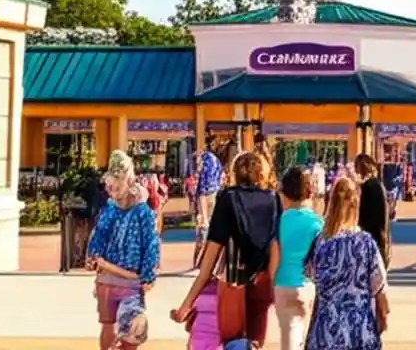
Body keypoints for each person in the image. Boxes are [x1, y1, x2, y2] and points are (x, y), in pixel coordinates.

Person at [173, 151, 281, 349]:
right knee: (255, 344)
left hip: (233, 280)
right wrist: (275, 289)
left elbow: (209, 260)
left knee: (233, 343)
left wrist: (186, 304)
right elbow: (275, 246)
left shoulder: (228, 199)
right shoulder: (274, 200)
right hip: (262, 282)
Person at [304, 176, 390, 350]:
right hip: (359, 330)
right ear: (356, 206)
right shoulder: (366, 243)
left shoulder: (320, 242)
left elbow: (312, 277)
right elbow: (380, 289)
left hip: (326, 330)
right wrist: (382, 319)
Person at [86, 150, 160, 350]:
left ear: (129, 179)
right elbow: (99, 234)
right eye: (112, 180)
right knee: (108, 326)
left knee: (132, 332)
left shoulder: (143, 212)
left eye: (118, 180)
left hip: (131, 281)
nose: (113, 186)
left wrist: (148, 275)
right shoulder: (110, 208)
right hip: (106, 279)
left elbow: (151, 244)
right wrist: (92, 256)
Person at [269, 166, 323, 350]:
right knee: (304, 336)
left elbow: (275, 254)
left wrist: (270, 280)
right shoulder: (317, 222)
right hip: (308, 284)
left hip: (283, 283)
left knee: (289, 335)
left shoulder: (279, 221)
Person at [353, 154, 391, 266]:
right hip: (380, 235)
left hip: (369, 237)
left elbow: (363, 215)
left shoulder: (367, 187)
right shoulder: (378, 185)